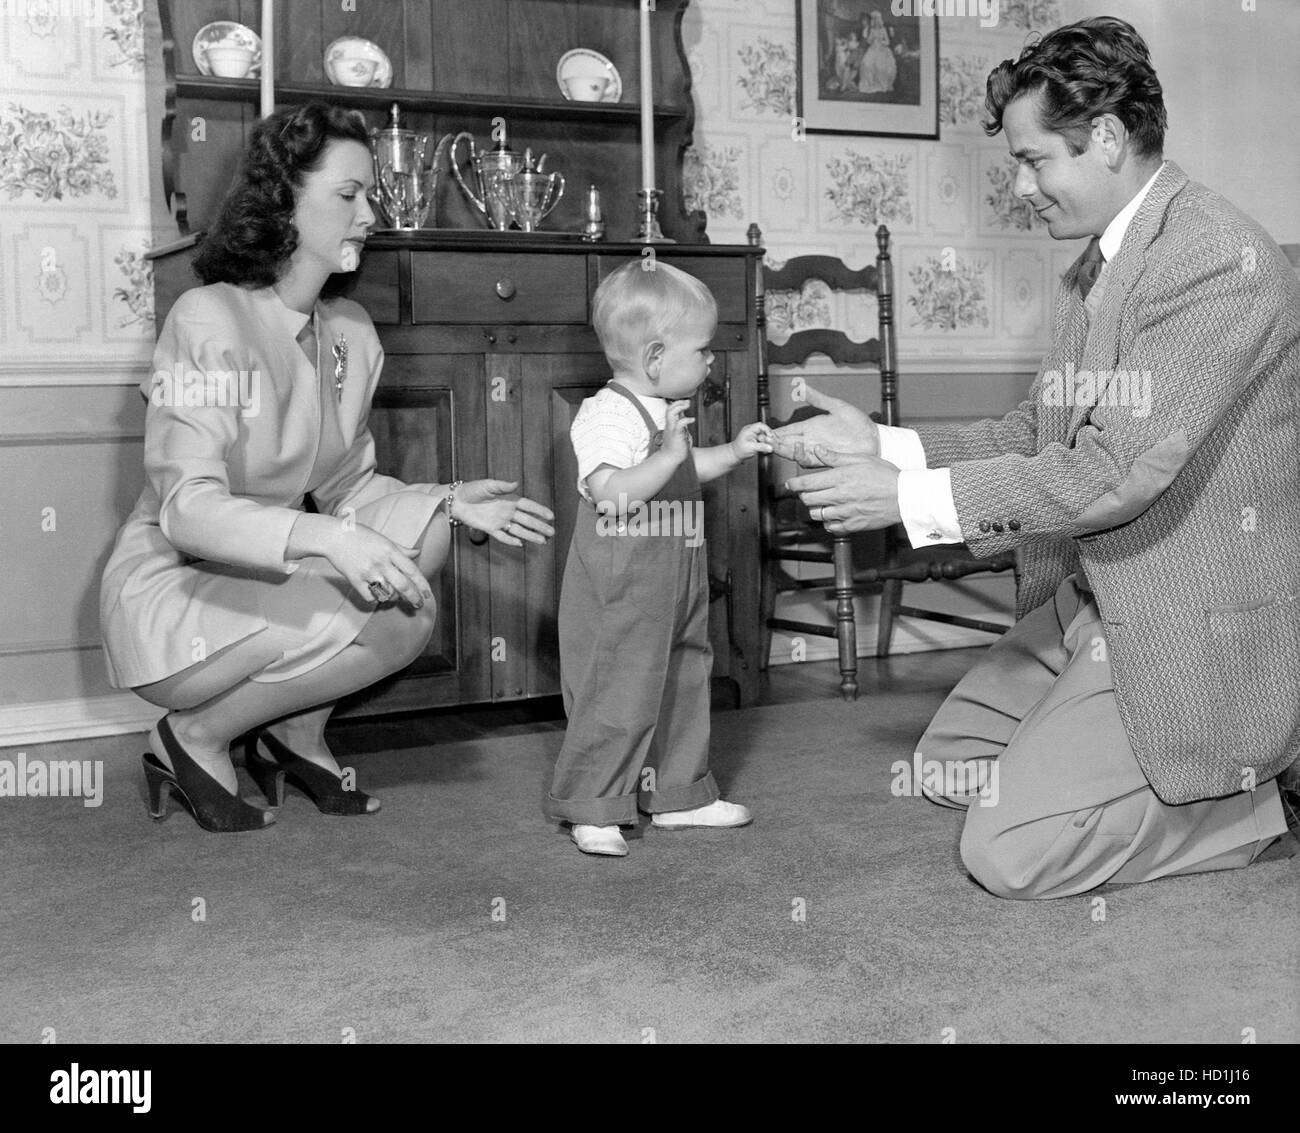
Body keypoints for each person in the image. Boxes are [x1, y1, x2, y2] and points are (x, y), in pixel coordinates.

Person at [775, 17, 1300, 898]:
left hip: (1186, 613)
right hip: (1094, 589)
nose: (1021, 187)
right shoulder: (1103, 263)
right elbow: (1040, 436)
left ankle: (1253, 805)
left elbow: (1111, 472)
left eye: (1033, 161)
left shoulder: (1215, 257)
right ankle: (1100, 747)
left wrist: (908, 502)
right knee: (950, 766)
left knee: (1010, 851)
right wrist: (884, 447)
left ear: (1103, 138)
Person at [100, 103, 555, 833]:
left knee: (412, 588)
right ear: (283, 202)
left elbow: (347, 487)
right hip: (175, 584)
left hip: (262, 583)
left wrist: (449, 498)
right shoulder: (206, 317)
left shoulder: (350, 330)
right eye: (348, 196)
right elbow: (187, 507)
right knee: (356, 592)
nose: (368, 214)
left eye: (368, 194)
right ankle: (191, 735)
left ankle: (293, 733)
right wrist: (328, 540)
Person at [547, 262, 773, 856]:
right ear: (653, 356)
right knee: (618, 687)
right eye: (701, 350)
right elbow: (611, 493)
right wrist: (671, 454)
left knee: (683, 677)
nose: (710, 361)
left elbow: (685, 471)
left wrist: (732, 451)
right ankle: (593, 804)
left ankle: (680, 794)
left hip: (679, 576)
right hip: (621, 584)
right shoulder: (608, 414)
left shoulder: (660, 414)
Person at [858, 10, 896, 94]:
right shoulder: (871, 30)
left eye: (876, 19)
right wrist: (869, 38)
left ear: (879, 20)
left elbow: (887, 42)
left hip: (882, 50)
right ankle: (870, 83)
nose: (875, 21)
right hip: (872, 49)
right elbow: (868, 41)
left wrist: (881, 42)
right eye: (873, 20)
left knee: (880, 65)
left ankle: (881, 84)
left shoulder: (883, 30)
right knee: (866, 63)